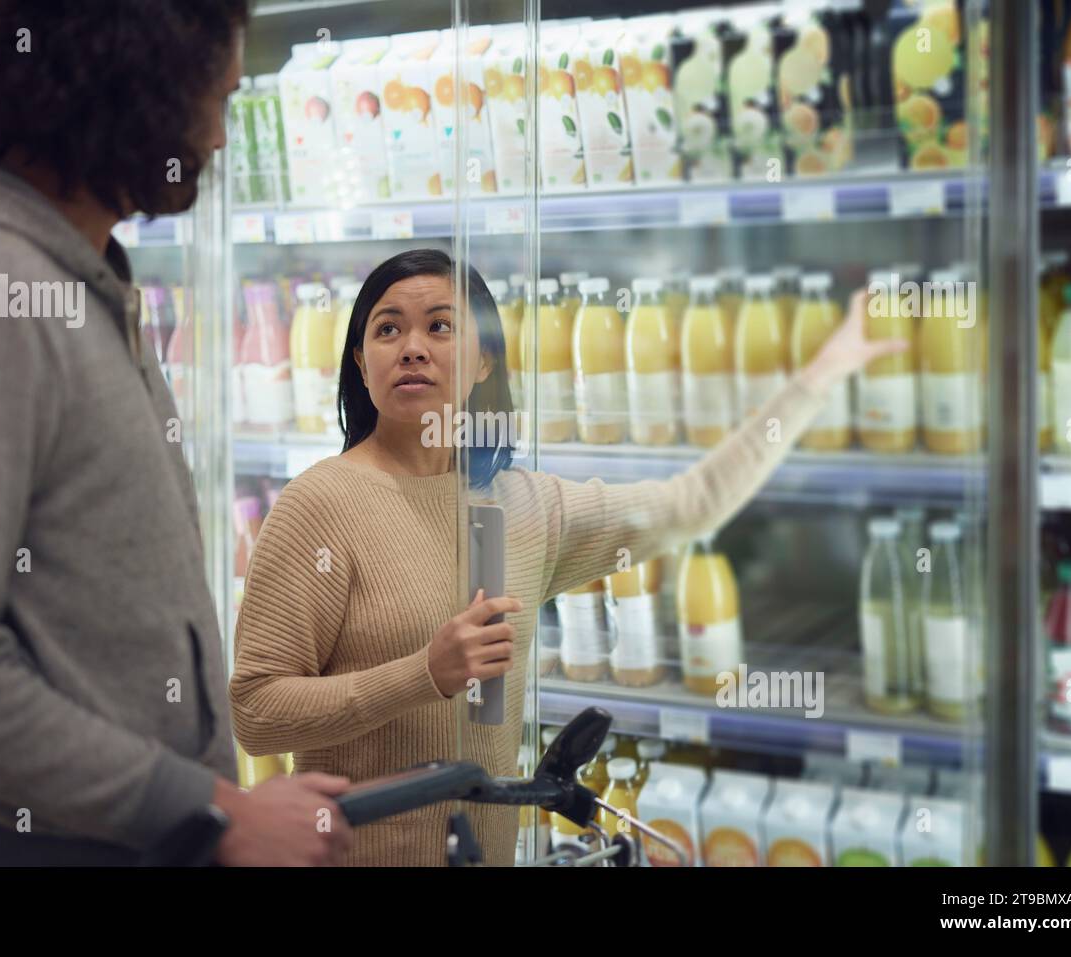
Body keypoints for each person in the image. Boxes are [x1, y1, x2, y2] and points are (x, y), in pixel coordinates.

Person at [0, 0, 350, 867]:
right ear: (140, 90)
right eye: (218, 100)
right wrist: (213, 810)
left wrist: (216, 806)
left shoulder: (74, 276)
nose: (222, 139)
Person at [229, 248, 902, 866]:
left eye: (440, 327)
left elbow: (690, 503)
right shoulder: (317, 505)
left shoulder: (523, 505)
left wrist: (823, 373)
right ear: (358, 361)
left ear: (485, 360)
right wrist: (421, 673)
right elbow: (256, 713)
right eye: (387, 329)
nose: (412, 348)